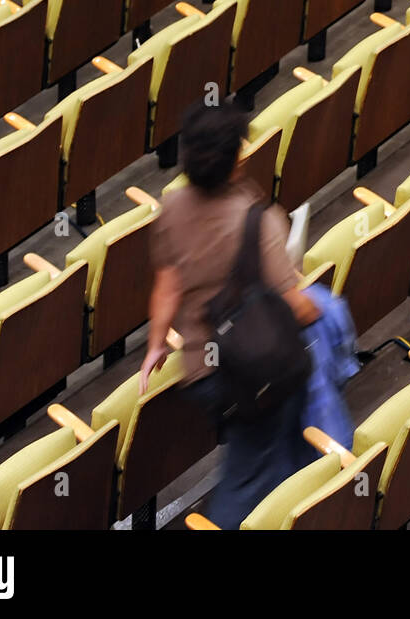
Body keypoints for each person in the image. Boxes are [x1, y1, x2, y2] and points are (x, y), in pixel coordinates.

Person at [139, 100, 321, 529]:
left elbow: (167, 284)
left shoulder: (172, 209)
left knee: (262, 451)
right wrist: (324, 309)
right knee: (246, 475)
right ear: (235, 160)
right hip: (251, 374)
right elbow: (296, 305)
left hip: (203, 372)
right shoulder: (257, 221)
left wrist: (155, 345)